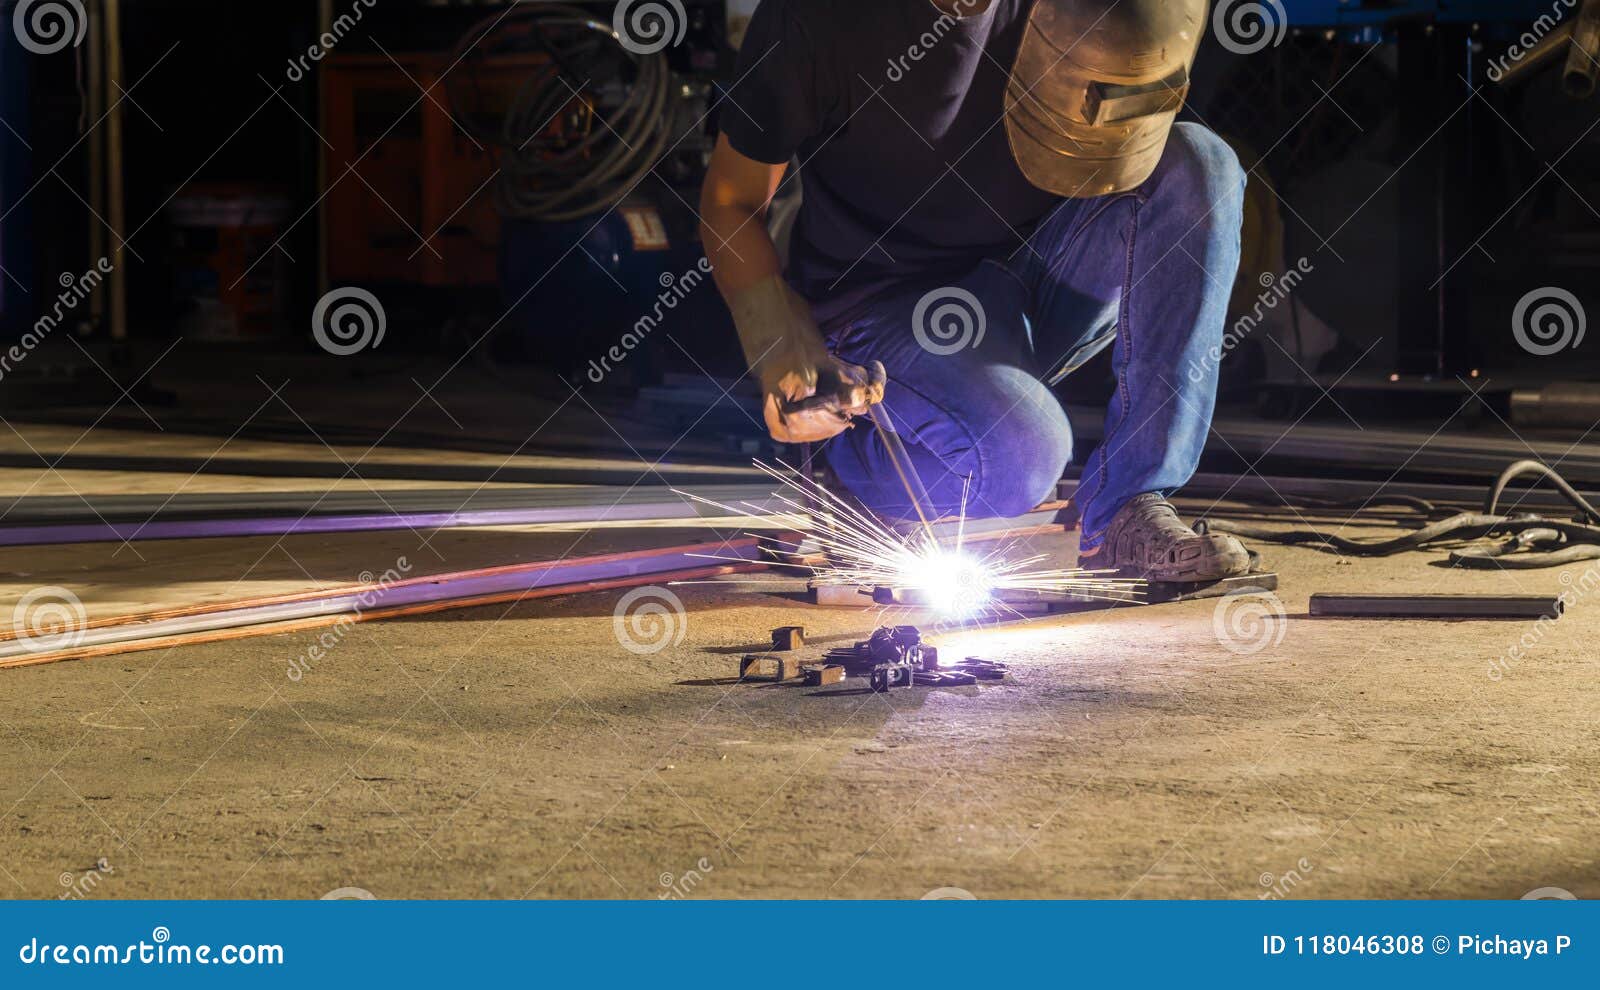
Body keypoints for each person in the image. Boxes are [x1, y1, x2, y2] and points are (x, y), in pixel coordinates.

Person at [698, 0, 1252, 582]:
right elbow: (730, 203)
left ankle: (1126, 506)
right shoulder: (813, 19)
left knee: (1199, 166)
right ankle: (845, 470)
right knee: (1021, 460)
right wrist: (782, 345)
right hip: (882, 317)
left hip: (1033, 283)